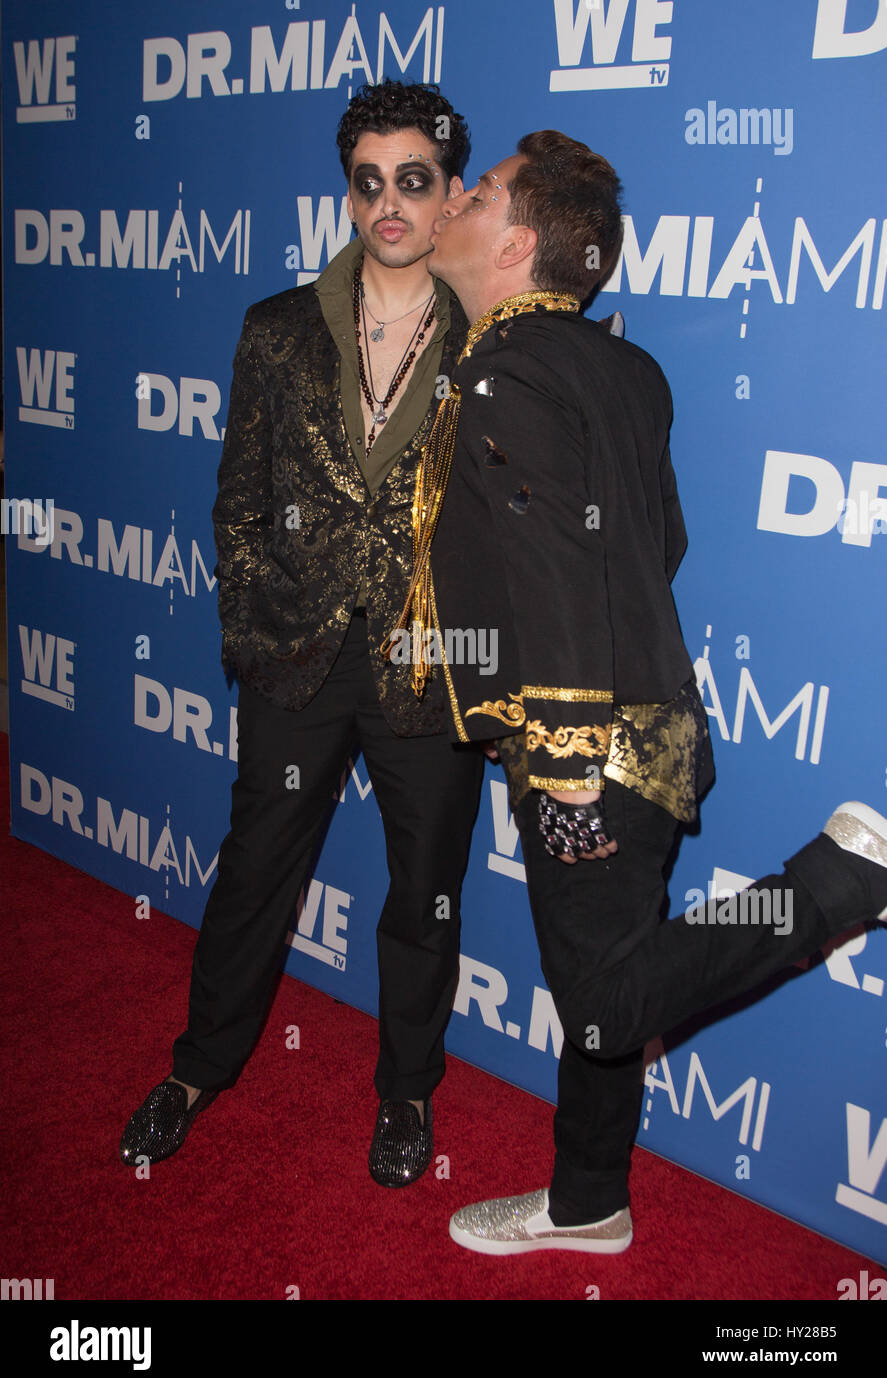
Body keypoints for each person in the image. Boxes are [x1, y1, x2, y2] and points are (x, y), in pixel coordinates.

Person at [389, 128, 887, 1250]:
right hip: (654, 722)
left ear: (515, 246)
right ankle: (588, 1199)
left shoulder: (505, 371)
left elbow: (563, 567)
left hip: (590, 747)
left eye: (477, 195)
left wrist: (562, 761)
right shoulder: (623, 366)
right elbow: (652, 544)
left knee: (605, 1001)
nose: (454, 202)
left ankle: (836, 882)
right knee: (607, 977)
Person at [120, 80, 484, 1188]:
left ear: (449, 193)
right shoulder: (275, 330)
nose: (389, 202)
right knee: (254, 874)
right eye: (368, 181)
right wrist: (254, 628)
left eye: (412, 181)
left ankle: (406, 1092)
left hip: (429, 668)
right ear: (347, 192)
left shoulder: (490, 340)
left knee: (423, 889)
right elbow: (237, 499)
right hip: (296, 654)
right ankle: (197, 1068)